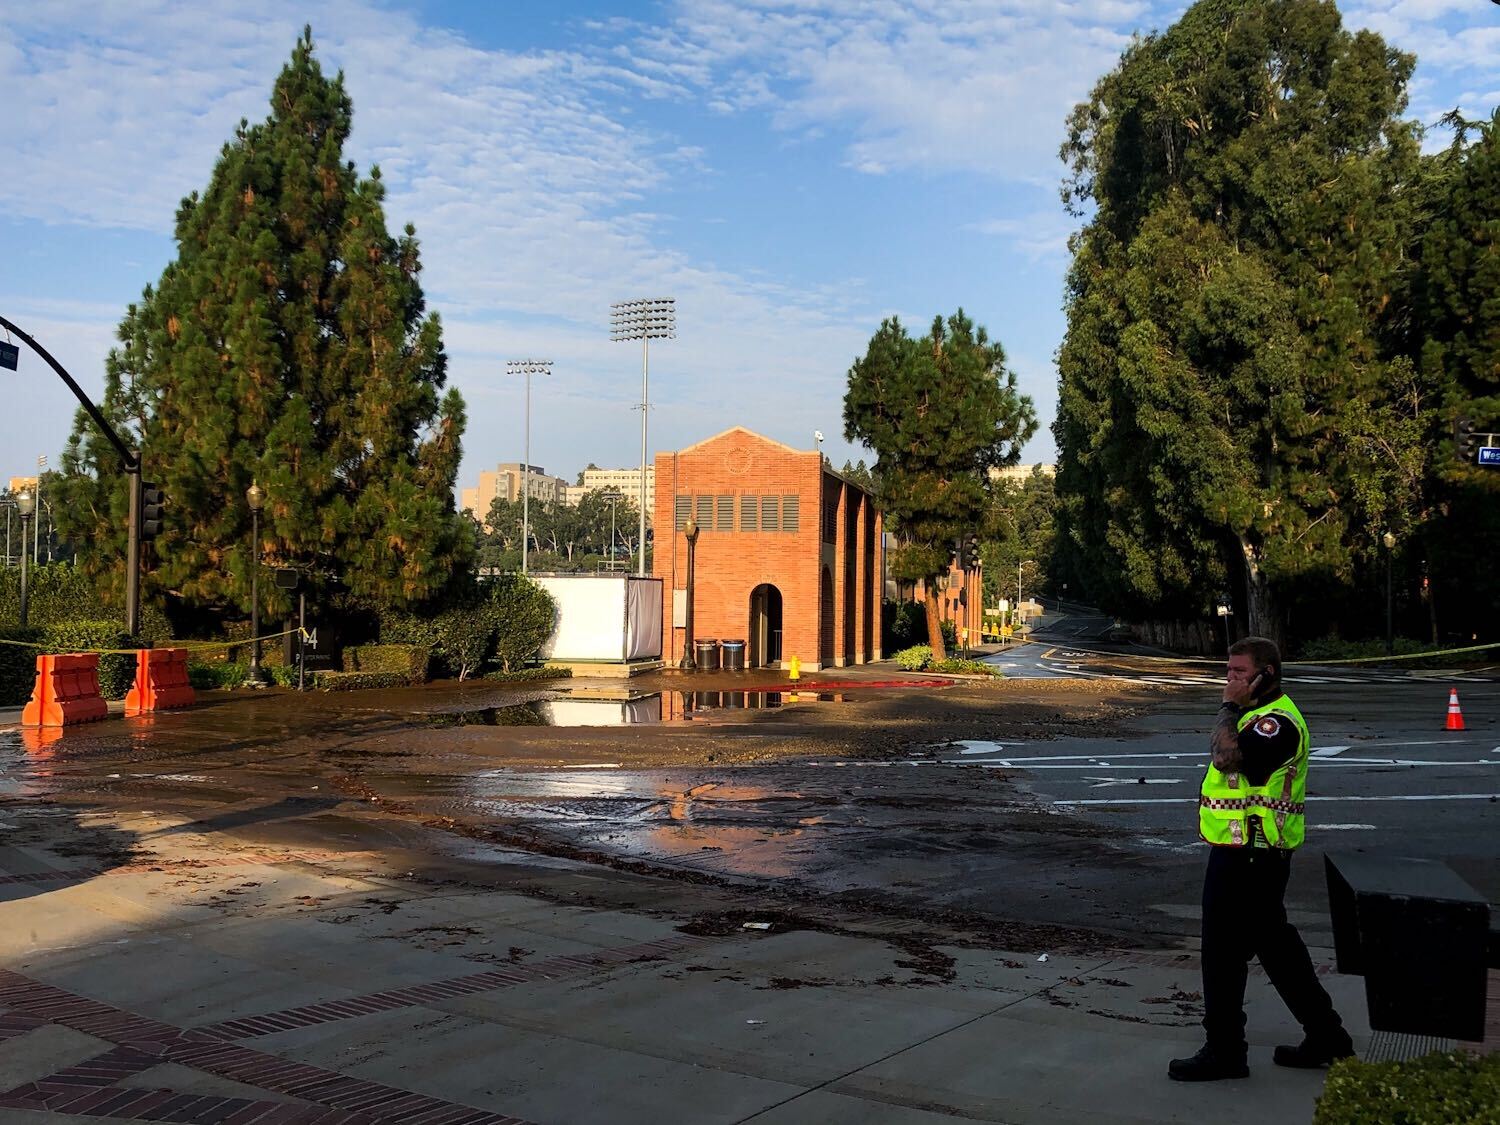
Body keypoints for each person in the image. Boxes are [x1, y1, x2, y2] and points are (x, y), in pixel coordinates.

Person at [1168, 636, 1354, 1081]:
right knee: (1275, 948)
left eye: (1238, 672)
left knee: (1223, 952)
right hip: (1249, 853)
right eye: (1227, 671)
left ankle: (1226, 1051)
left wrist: (1228, 708)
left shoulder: (1275, 724)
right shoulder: (1260, 717)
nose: (1229, 680)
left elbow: (1228, 759)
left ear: (1266, 674)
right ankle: (1328, 1037)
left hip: (1250, 856)